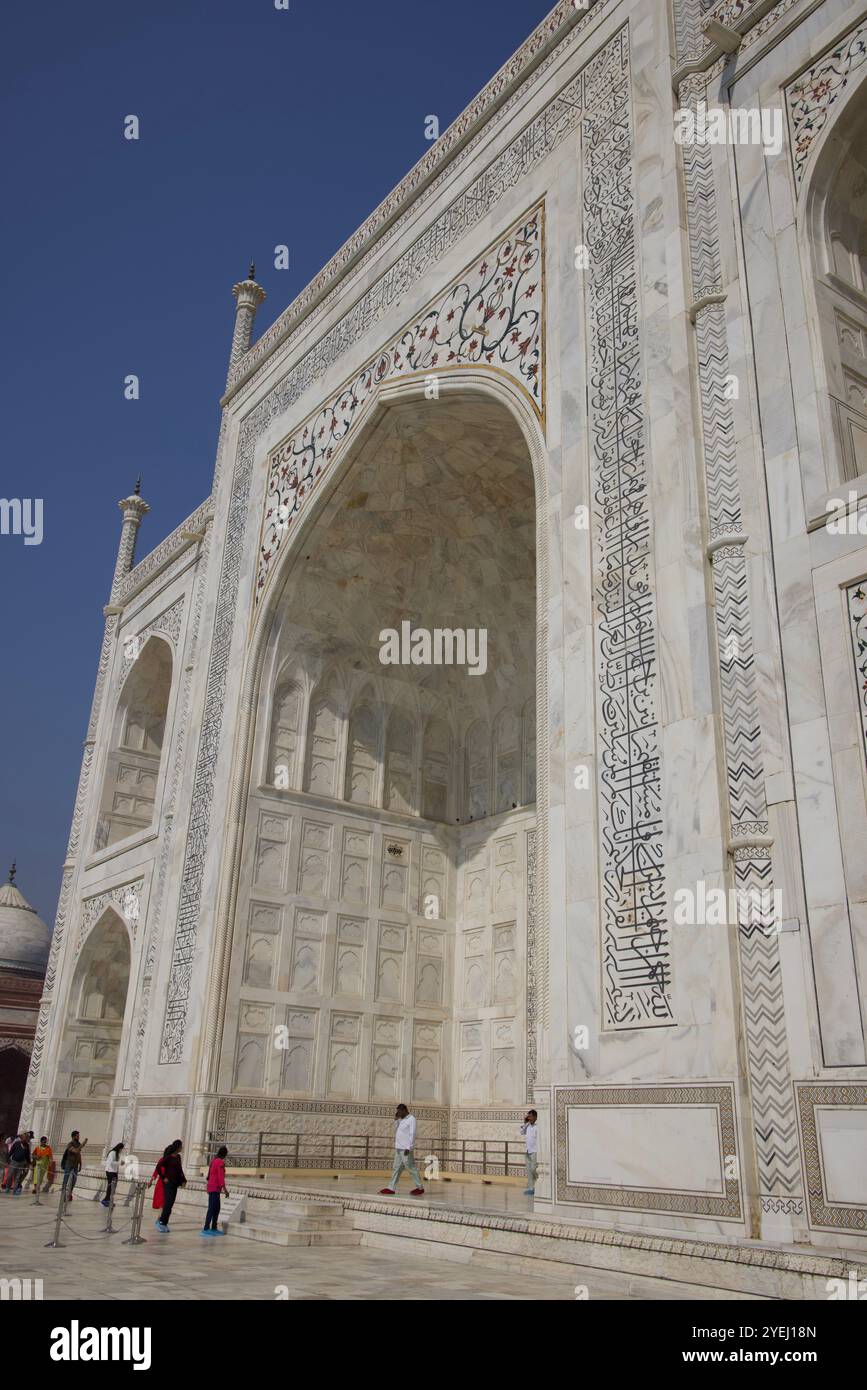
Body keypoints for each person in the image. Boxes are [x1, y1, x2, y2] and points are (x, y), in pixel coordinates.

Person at [379, 1103, 425, 1197]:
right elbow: (396, 1130)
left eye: (399, 1111)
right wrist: (396, 1120)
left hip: (406, 1149)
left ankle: (420, 1187)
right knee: (396, 1168)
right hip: (399, 1148)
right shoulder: (401, 1119)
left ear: (404, 1110)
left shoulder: (411, 1119)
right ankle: (391, 1188)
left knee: (411, 1168)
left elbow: (412, 1133)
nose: (397, 1113)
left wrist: (409, 1147)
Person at [149, 1140, 186, 1232]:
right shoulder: (168, 1158)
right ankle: (161, 1222)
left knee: (170, 1204)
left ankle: (164, 1223)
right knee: (167, 1204)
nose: (182, 1148)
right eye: (181, 1146)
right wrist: (163, 1177)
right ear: (177, 1147)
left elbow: (179, 1170)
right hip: (167, 1184)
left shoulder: (178, 1157)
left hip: (175, 1183)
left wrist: (183, 1180)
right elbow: (158, 1168)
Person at [201, 1145, 229, 1236]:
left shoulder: (213, 1161)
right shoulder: (220, 1162)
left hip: (212, 1187)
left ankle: (213, 1227)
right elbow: (221, 1177)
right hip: (215, 1188)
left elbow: (209, 1175)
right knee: (212, 1209)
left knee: (216, 1208)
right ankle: (206, 1228)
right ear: (225, 1154)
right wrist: (225, 1190)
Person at [60, 1131, 88, 1201]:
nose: (79, 1137)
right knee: (66, 1179)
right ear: (73, 1136)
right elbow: (75, 1151)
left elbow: (78, 1154)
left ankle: (69, 1193)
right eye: (77, 1136)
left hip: (75, 1164)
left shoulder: (78, 1144)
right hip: (69, 1163)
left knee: (74, 1180)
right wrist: (82, 1144)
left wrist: (80, 1164)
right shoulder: (70, 1144)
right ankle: (63, 1194)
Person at [521, 1109, 538, 1196]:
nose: (529, 1118)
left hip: (534, 1151)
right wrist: (525, 1122)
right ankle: (531, 1188)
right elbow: (521, 1132)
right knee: (529, 1170)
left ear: (535, 1117)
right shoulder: (527, 1126)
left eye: (530, 1116)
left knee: (533, 1169)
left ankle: (537, 1185)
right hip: (527, 1150)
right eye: (528, 1116)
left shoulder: (537, 1127)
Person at [101, 1141, 124, 1207]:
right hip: (110, 1171)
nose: (121, 1150)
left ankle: (109, 1200)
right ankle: (106, 1200)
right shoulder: (112, 1153)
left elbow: (115, 1164)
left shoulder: (117, 1154)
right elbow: (111, 1163)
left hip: (114, 1172)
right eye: (121, 1149)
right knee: (110, 1186)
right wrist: (120, 1163)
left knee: (113, 1187)